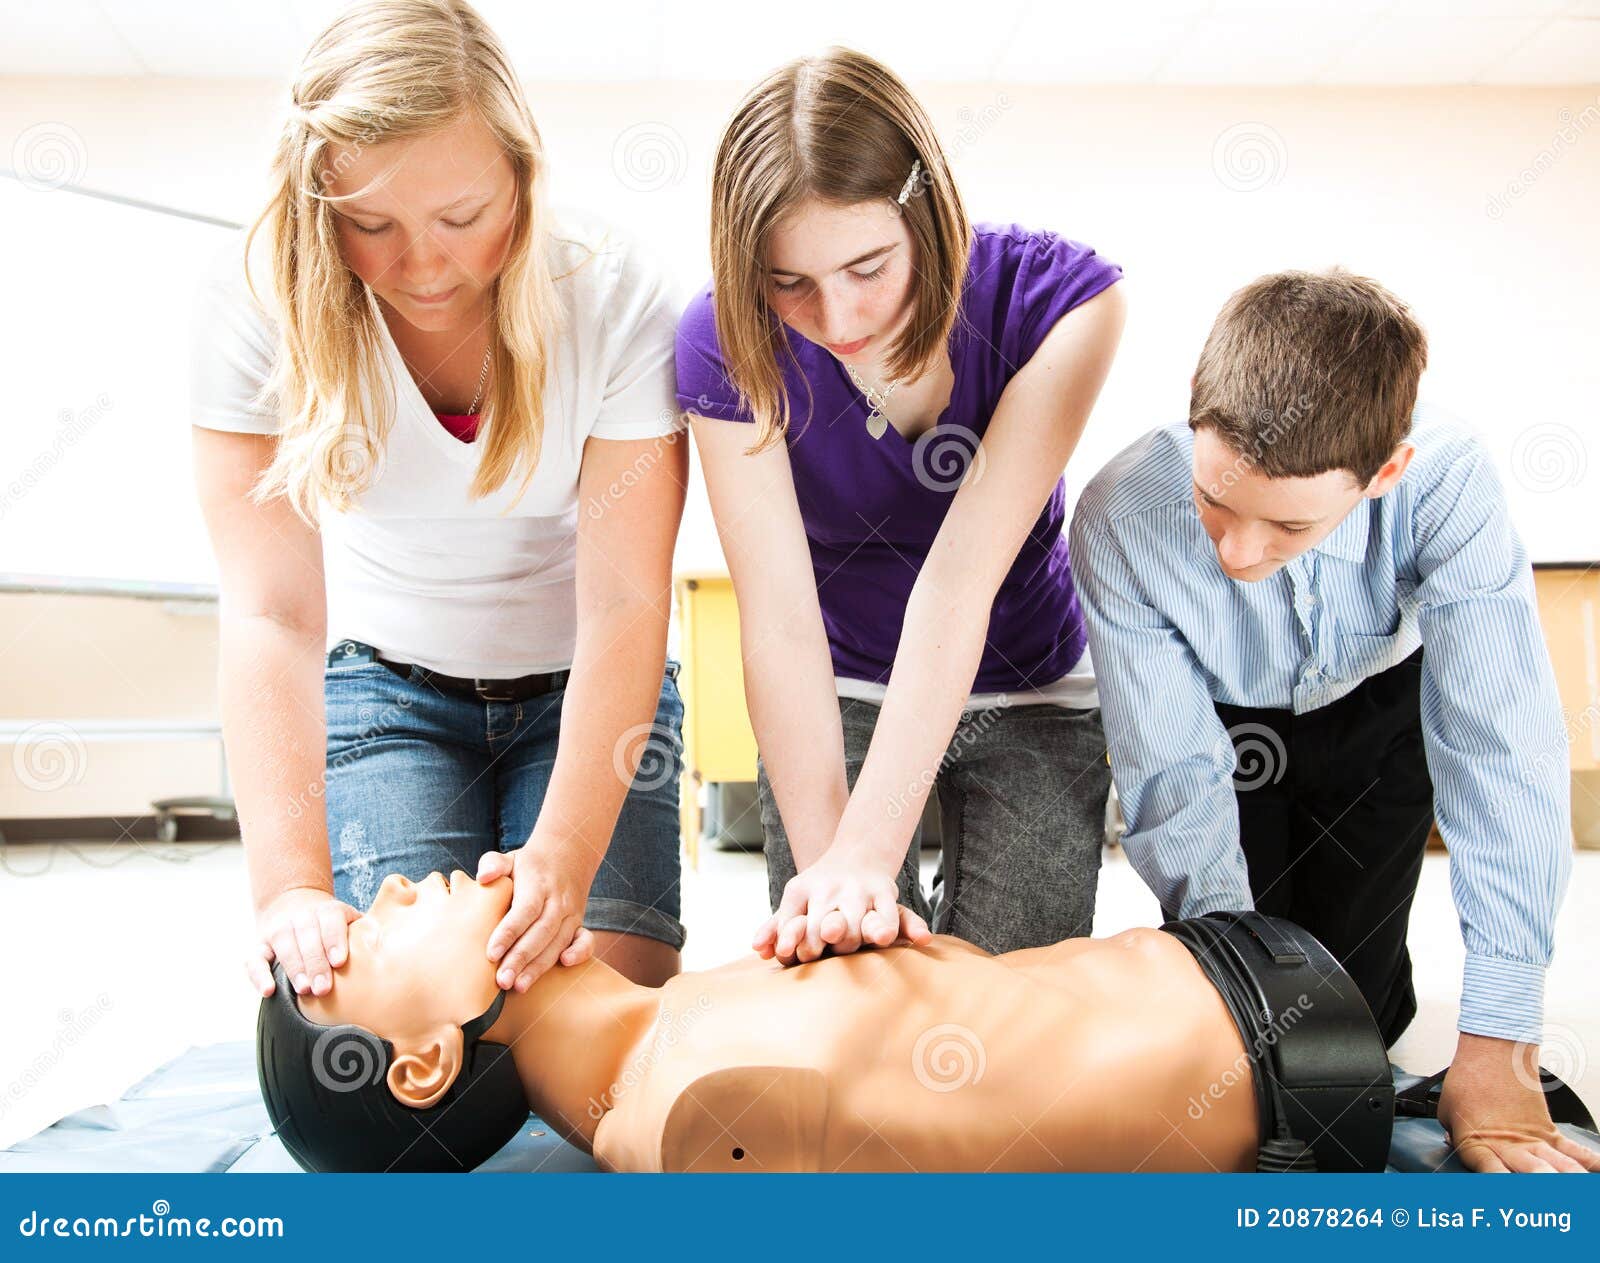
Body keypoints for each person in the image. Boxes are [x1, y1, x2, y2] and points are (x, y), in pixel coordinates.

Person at [191, 0, 688, 1004]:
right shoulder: (256, 304)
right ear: (318, 206)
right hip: (387, 691)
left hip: (576, 684)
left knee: (590, 1006)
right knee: (392, 1003)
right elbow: (271, 614)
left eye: (461, 218)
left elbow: (629, 605)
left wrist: (564, 853)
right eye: (370, 224)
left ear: (522, 172)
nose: (423, 267)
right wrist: (290, 887)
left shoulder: (614, 291)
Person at [1070, 267, 1582, 1174]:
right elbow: (1173, 771)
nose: (1236, 553)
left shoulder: (1447, 484)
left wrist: (1503, 1041)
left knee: (1356, 1013)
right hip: (1223, 727)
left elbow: (1498, 745)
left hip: (1376, 712)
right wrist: (1238, 1001)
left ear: (1384, 474)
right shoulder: (1123, 511)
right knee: (1260, 1012)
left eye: (1288, 527)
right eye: (1216, 504)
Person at [676, 48, 1126, 968]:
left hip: (1029, 680)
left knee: (1005, 998)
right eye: (788, 282)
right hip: (839, 683)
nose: (838, 319)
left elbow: (958, 585)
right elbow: (780, 621)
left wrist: (874, 852)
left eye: (868, 266)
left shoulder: (1059, 304)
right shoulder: (721, 339)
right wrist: (840, 866)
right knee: (842, 971)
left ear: (924, 214)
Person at [257, 868, 1430, 1173]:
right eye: (368, 934)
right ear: (420, 1066)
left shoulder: (680, 1024)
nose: (399, 891)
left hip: (1239, 974)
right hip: (1288, 1067)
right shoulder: (694, 1121)